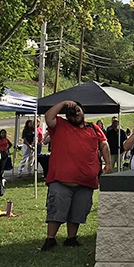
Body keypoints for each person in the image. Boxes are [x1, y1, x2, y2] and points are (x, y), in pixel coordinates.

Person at [41, 100, 111, 251]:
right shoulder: (59, 124)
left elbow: (104, 143)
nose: (76, 114)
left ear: (83, 111)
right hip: (61, 181)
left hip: (85, 182)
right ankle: (50, 239)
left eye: (78, 110)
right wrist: (64, 104)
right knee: (56, 211)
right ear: (67, 116)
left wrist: (108, 163)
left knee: (78, 212)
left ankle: (71, 238)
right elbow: (48, 116)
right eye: (72, 113)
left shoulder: (93, 127)